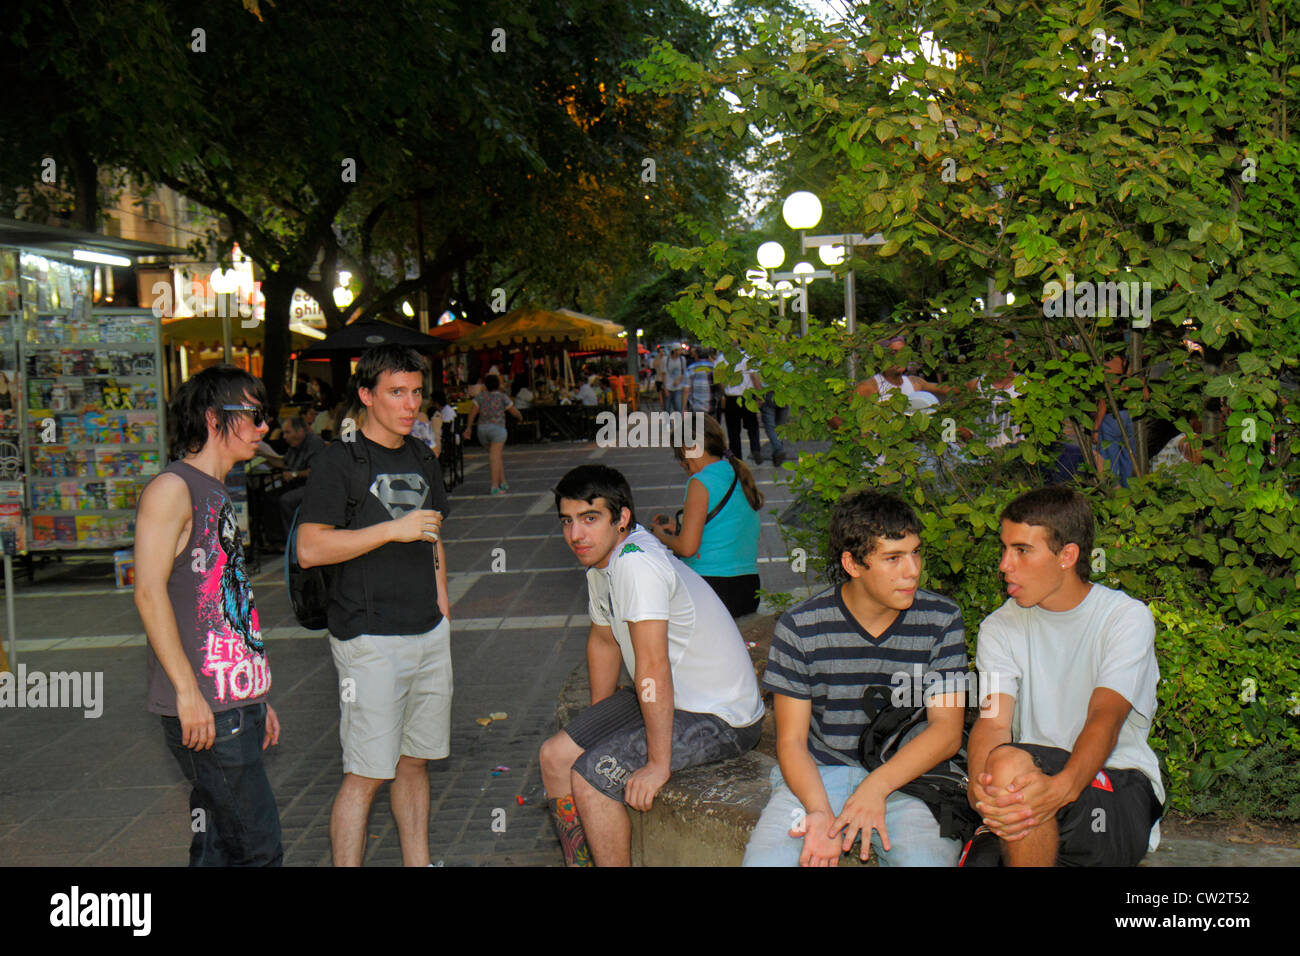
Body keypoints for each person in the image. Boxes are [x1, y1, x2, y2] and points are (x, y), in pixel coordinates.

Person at [539, 464, 765, 866]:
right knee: (555, 756)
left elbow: (653, 665)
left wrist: (659, 763)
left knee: (593, 777)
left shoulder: (636, 562)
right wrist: (598, 721)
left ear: (621, 518)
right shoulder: (602, 563)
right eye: (568, 522)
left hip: (720, 714)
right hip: (671, 697)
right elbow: (604, 642)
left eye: (590, 519)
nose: (576, 535)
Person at [742, 490, 969, 867]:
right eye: (893, 558)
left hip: (907, 779)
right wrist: (817, 811)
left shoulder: (940, 619)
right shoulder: (801, 626)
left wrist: (875, 787)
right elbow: (793, 741)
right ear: (852, 563)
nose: (912, 570)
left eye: (915, 552)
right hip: (816, 778)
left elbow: (946, 732)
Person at [296, 345, 452, 867]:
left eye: (415, 393)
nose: (410, 405)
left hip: (427, 631)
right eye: (395, 393)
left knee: (414, 763)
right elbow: (310, 547)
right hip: (368, 639)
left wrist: (444, 611)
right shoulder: (338, 461)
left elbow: (434, 539)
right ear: (366, 395)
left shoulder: (423, 455)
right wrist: (390, 530)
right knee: (366, 772)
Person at [965, 486, 1164, 867]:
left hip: (1114, 785)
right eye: (1004, 549)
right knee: (1003, 776)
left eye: (1022, 550)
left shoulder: (1123, 618)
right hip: (1025, 785)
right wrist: (980, 791)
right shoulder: (999, 627)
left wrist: (1062, 789)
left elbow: (1104, 717)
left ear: (1067, 556)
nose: (1005, 564)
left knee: (1009, 767)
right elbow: (992, 724)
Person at [133, 365, 282, 866]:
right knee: (258, 849)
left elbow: (227, 599)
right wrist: (186, 692)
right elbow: (149, 593)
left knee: (219, 842)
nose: (265, 428)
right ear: (215, 418)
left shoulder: (215, 490)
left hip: (233, 701)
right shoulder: (172, 489)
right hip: (207, 709)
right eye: (255, 415)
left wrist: (256, 694)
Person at [649, 416, 763, 618]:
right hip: (748, 588)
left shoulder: (700, 482)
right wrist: (678, 526)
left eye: (681, 455)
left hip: (711, 588)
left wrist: (660, 535)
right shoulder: (737, 472)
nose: (683, 463)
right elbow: (725, 526)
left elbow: (687, 548)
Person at [267, 414, 327, 545]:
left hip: (314, 486)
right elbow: (284, 462)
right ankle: (276, 539)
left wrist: (294, 474)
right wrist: (263, 455)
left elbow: (315, 471)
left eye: (288, 432)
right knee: (270, 497)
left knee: (286, 500)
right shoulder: (294, 446)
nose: (284, 437)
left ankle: (293, 539)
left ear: (300, 431)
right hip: (297, 485)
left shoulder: (314, 443)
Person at [464, 373, 523, 493]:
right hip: (498, 430)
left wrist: (468, 428)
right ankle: (495, 487)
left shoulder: (480, 397)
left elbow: (472, 413)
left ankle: (503, 482)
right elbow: (513, 411)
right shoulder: (502, 397)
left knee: (495, 456)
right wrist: (520, 416)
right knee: (495, 457)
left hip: (482, 430)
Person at [718, 351, 762, 463]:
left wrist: (725, 393)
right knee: (752, 425)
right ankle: (755, 448)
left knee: (733, 431)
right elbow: (754, 377)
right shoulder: (747, 357)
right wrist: (760, 396)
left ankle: (737, 459)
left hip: (731, 398)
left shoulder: (721, 358)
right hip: (747, 396)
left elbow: (720, 382)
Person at [663, 345, 687, 413]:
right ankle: (667, 423)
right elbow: (663, 374)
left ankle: (678, 422)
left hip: (678, 387)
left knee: (678, 407)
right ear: (674, 350)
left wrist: (679, 380)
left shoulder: (682, 359)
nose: (680, 351)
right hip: (668, 387)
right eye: (679, 350)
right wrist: (665, 389)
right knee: (667, 409)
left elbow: (684, 372)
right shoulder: (666, 360)